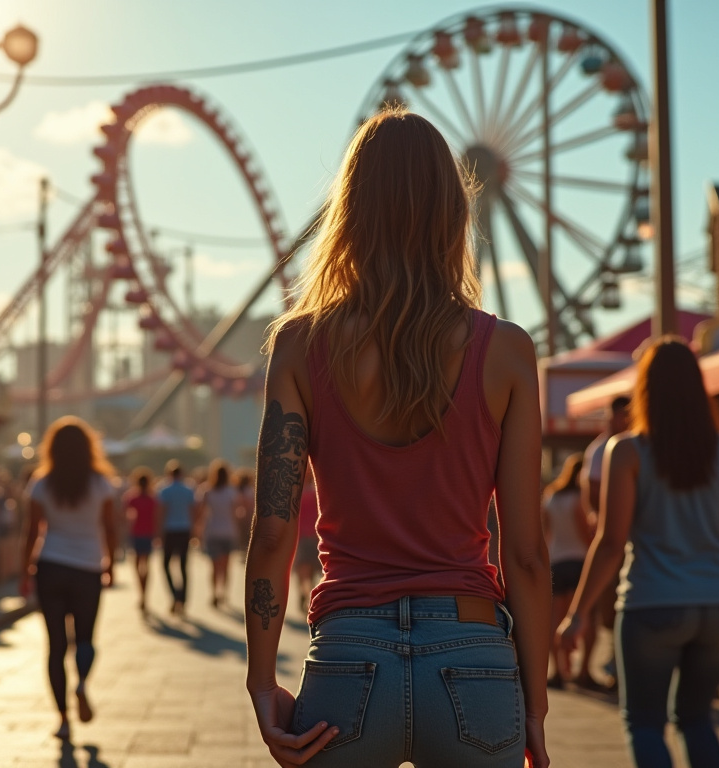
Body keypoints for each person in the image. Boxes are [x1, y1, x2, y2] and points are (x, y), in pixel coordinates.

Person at [243, 108, 551, 768]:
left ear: (349, 212)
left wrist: (262, 682)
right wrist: (536, 702)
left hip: (348, 654)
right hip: (474, 656)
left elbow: (272, 533)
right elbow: (526, 554)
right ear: (453, 213)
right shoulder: (506, 351)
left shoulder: (299, 345)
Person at [558, 338, 719, 768]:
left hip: (651, 602)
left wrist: (577, 615)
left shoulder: (628, 451)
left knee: (645, 723)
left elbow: (611, 542)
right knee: (697, 719)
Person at [19, 417, 119, 741]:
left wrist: (24, 570)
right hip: (88, 567)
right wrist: (111, 564)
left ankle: (62, 718)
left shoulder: (41, 483)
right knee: (86, 639)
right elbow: (110, 527)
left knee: (56, 646)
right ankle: (82, 683)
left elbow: (32, 531)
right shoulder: (101, 484)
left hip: (50, 566)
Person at [578, 394, 630, 691]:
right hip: (615, 537)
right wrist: (601, 522)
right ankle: (615, 664)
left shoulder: (632, 444)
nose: (626, 420)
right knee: (611, 605)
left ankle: (618, 665)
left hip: (629, 536)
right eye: (623, 415)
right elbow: (593, 491)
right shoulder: (601, 449)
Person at [543, 453, 592, 687]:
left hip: (556, 562)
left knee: (555, 618)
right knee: (583, 616)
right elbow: (585, 535)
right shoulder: (579, 499)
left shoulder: (551, 497)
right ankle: (583, 671)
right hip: (579, 561)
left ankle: (558, 671)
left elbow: (546, 532)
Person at [196, 459, 243, 608]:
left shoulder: (207, 490)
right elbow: (235, 514)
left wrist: (199, 533)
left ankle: (214, 593)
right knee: (226, 565)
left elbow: (201, 514)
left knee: (214, 566)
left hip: (212, 531)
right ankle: (224, 593)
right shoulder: (231, 492)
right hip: (228, 531)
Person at [157, 460, 198, 616]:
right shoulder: (188, 490)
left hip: (170, 530)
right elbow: (193, 512)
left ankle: (175, 595)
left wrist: (159, 533)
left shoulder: (164, 490)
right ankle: (183, 599)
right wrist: (194, 531)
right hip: (184, 529)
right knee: (183, 566)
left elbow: (161, 513)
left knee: (166, 565)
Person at [123, 466, 159, 614]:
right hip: (148, 533)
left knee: (138, 565)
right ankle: (145, 595)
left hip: (137, 533)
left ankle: (141, 593)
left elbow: (125, 514)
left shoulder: (132, 497)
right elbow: (157, 517)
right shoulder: (153, 498)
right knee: (146, 564)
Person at [293, 467, 321, 611]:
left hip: (301, 537)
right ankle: (309, 595)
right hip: (316, 537)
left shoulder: (296, 495)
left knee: (302, 571)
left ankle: (305, 594)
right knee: (312, 570)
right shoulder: (317, 493)